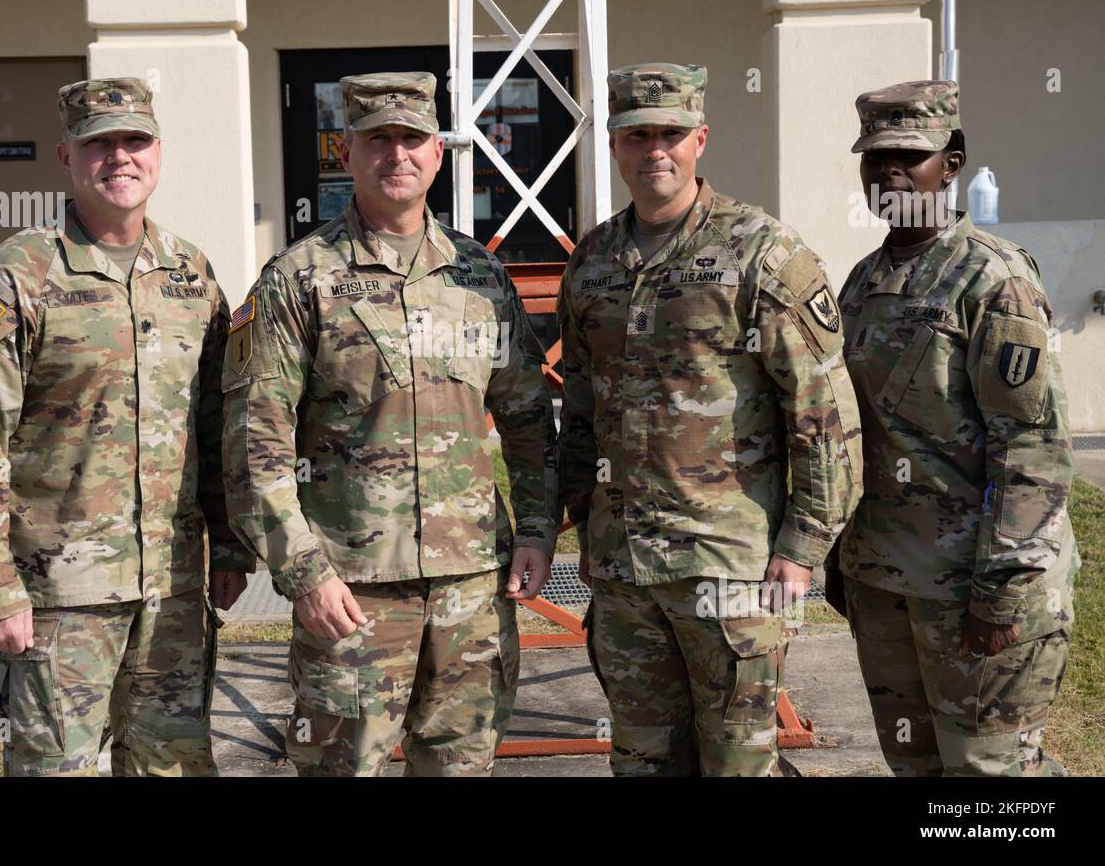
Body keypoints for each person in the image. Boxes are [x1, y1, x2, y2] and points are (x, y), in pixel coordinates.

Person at [222, 71, 559, 776]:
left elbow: (528, 417)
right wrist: (303, 574)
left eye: (412, 139)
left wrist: (535, 529)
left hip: (471, 588)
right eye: (379, 140)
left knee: (462, 767)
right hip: (350, 593)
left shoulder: (479, 277)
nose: (396, 155)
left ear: (438, 154)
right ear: (348, 152)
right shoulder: (298, 278)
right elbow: (256, 444)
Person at [0, 77, 251, 776]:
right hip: (59, 597)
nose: (120, 157)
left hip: (171, 592)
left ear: (159, 153)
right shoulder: (18, 277)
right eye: (98, 144)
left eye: (134, 140)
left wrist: (228, 547)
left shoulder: (190, 277)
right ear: (66, 158)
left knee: (174, 765)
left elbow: (214, 426)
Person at [557, 63, 863, 776]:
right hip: (624, 570)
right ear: (614, 146)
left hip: (733, 567)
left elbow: (821, 410)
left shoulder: (763, 254)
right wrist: (573, 522)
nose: (653, 150)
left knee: (735, 762)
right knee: (640, 760)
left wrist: (804, 544)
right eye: (637, 135)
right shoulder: (594, 262)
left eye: (669, 133)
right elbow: (579, 409)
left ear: (701, 139)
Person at [827, 79, 1078, 776]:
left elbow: (1031, 451)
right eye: (874, 158)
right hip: (888, 581)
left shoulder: (992, 282)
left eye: (910, 154)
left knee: (989, 776)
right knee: (917, 765)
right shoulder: (862, 283)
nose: (889, 172)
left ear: (955, 160)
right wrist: (843, 556)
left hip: (978, 585)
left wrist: (1001, 589)